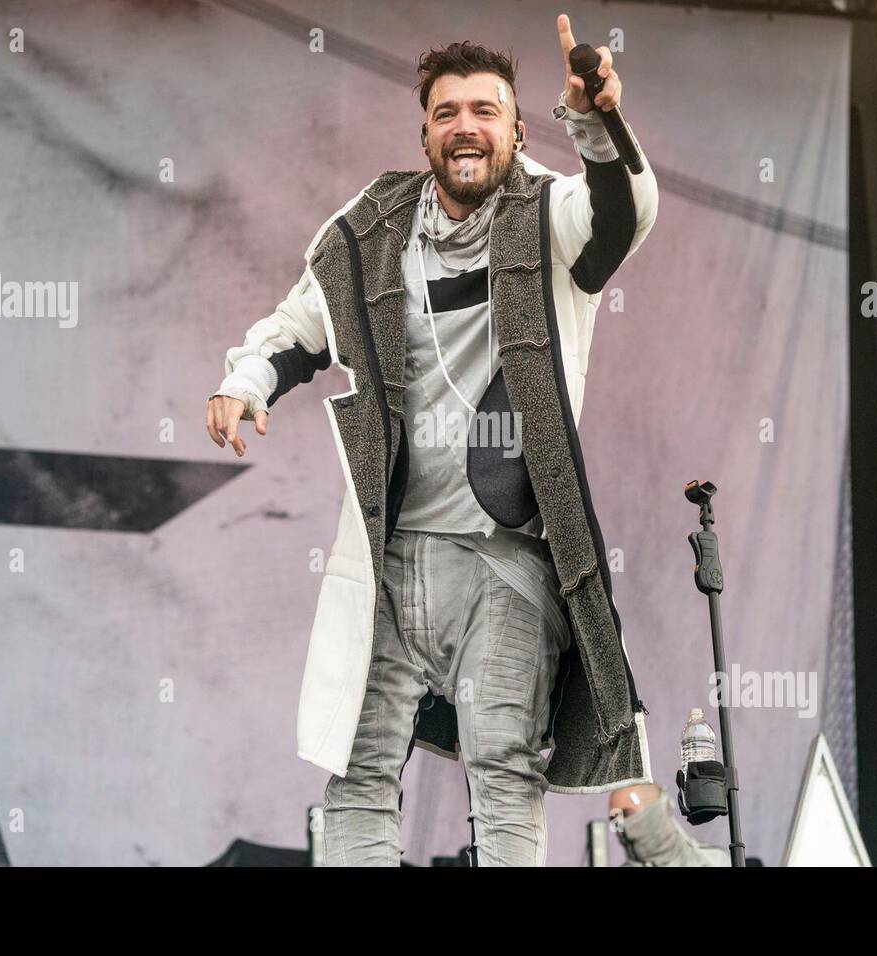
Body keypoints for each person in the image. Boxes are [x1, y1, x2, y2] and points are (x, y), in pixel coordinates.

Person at [206, 14, 659, 866]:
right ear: (424, 131)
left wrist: (598, 124)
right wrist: (245, 382)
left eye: (486, 111)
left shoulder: (549, 212)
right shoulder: (377, 225)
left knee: (502, 770)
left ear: (519, 129)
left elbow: (623, 216)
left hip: (504, 559)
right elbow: (303, 321)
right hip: (392, 554)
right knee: (357, 772)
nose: (465, 126)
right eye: (447, 111)